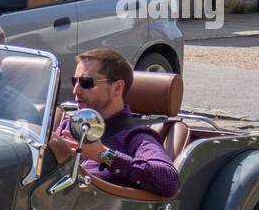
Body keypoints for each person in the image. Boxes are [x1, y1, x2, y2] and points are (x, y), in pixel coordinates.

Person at [54, 47, 179, 196]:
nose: (76, 90)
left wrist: (103, 155)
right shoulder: (69, 125)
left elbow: (169, 181)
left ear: (117, 88)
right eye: (74, 81)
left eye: (86, 82)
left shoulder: (136, 136)